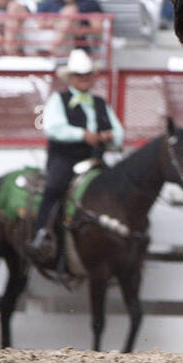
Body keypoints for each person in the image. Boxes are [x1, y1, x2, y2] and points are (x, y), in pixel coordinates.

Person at [27, 48, 125, 272]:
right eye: (79, 75)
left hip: (95, 161)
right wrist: (83, 135)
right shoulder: (58, 100)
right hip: (65, 158)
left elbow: (119, 132)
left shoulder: (100, 103)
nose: (84, 79)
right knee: (54, 187)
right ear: (70, 78)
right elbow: (53, 129)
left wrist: (109, 137)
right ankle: (42, 232)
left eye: (87, 75)